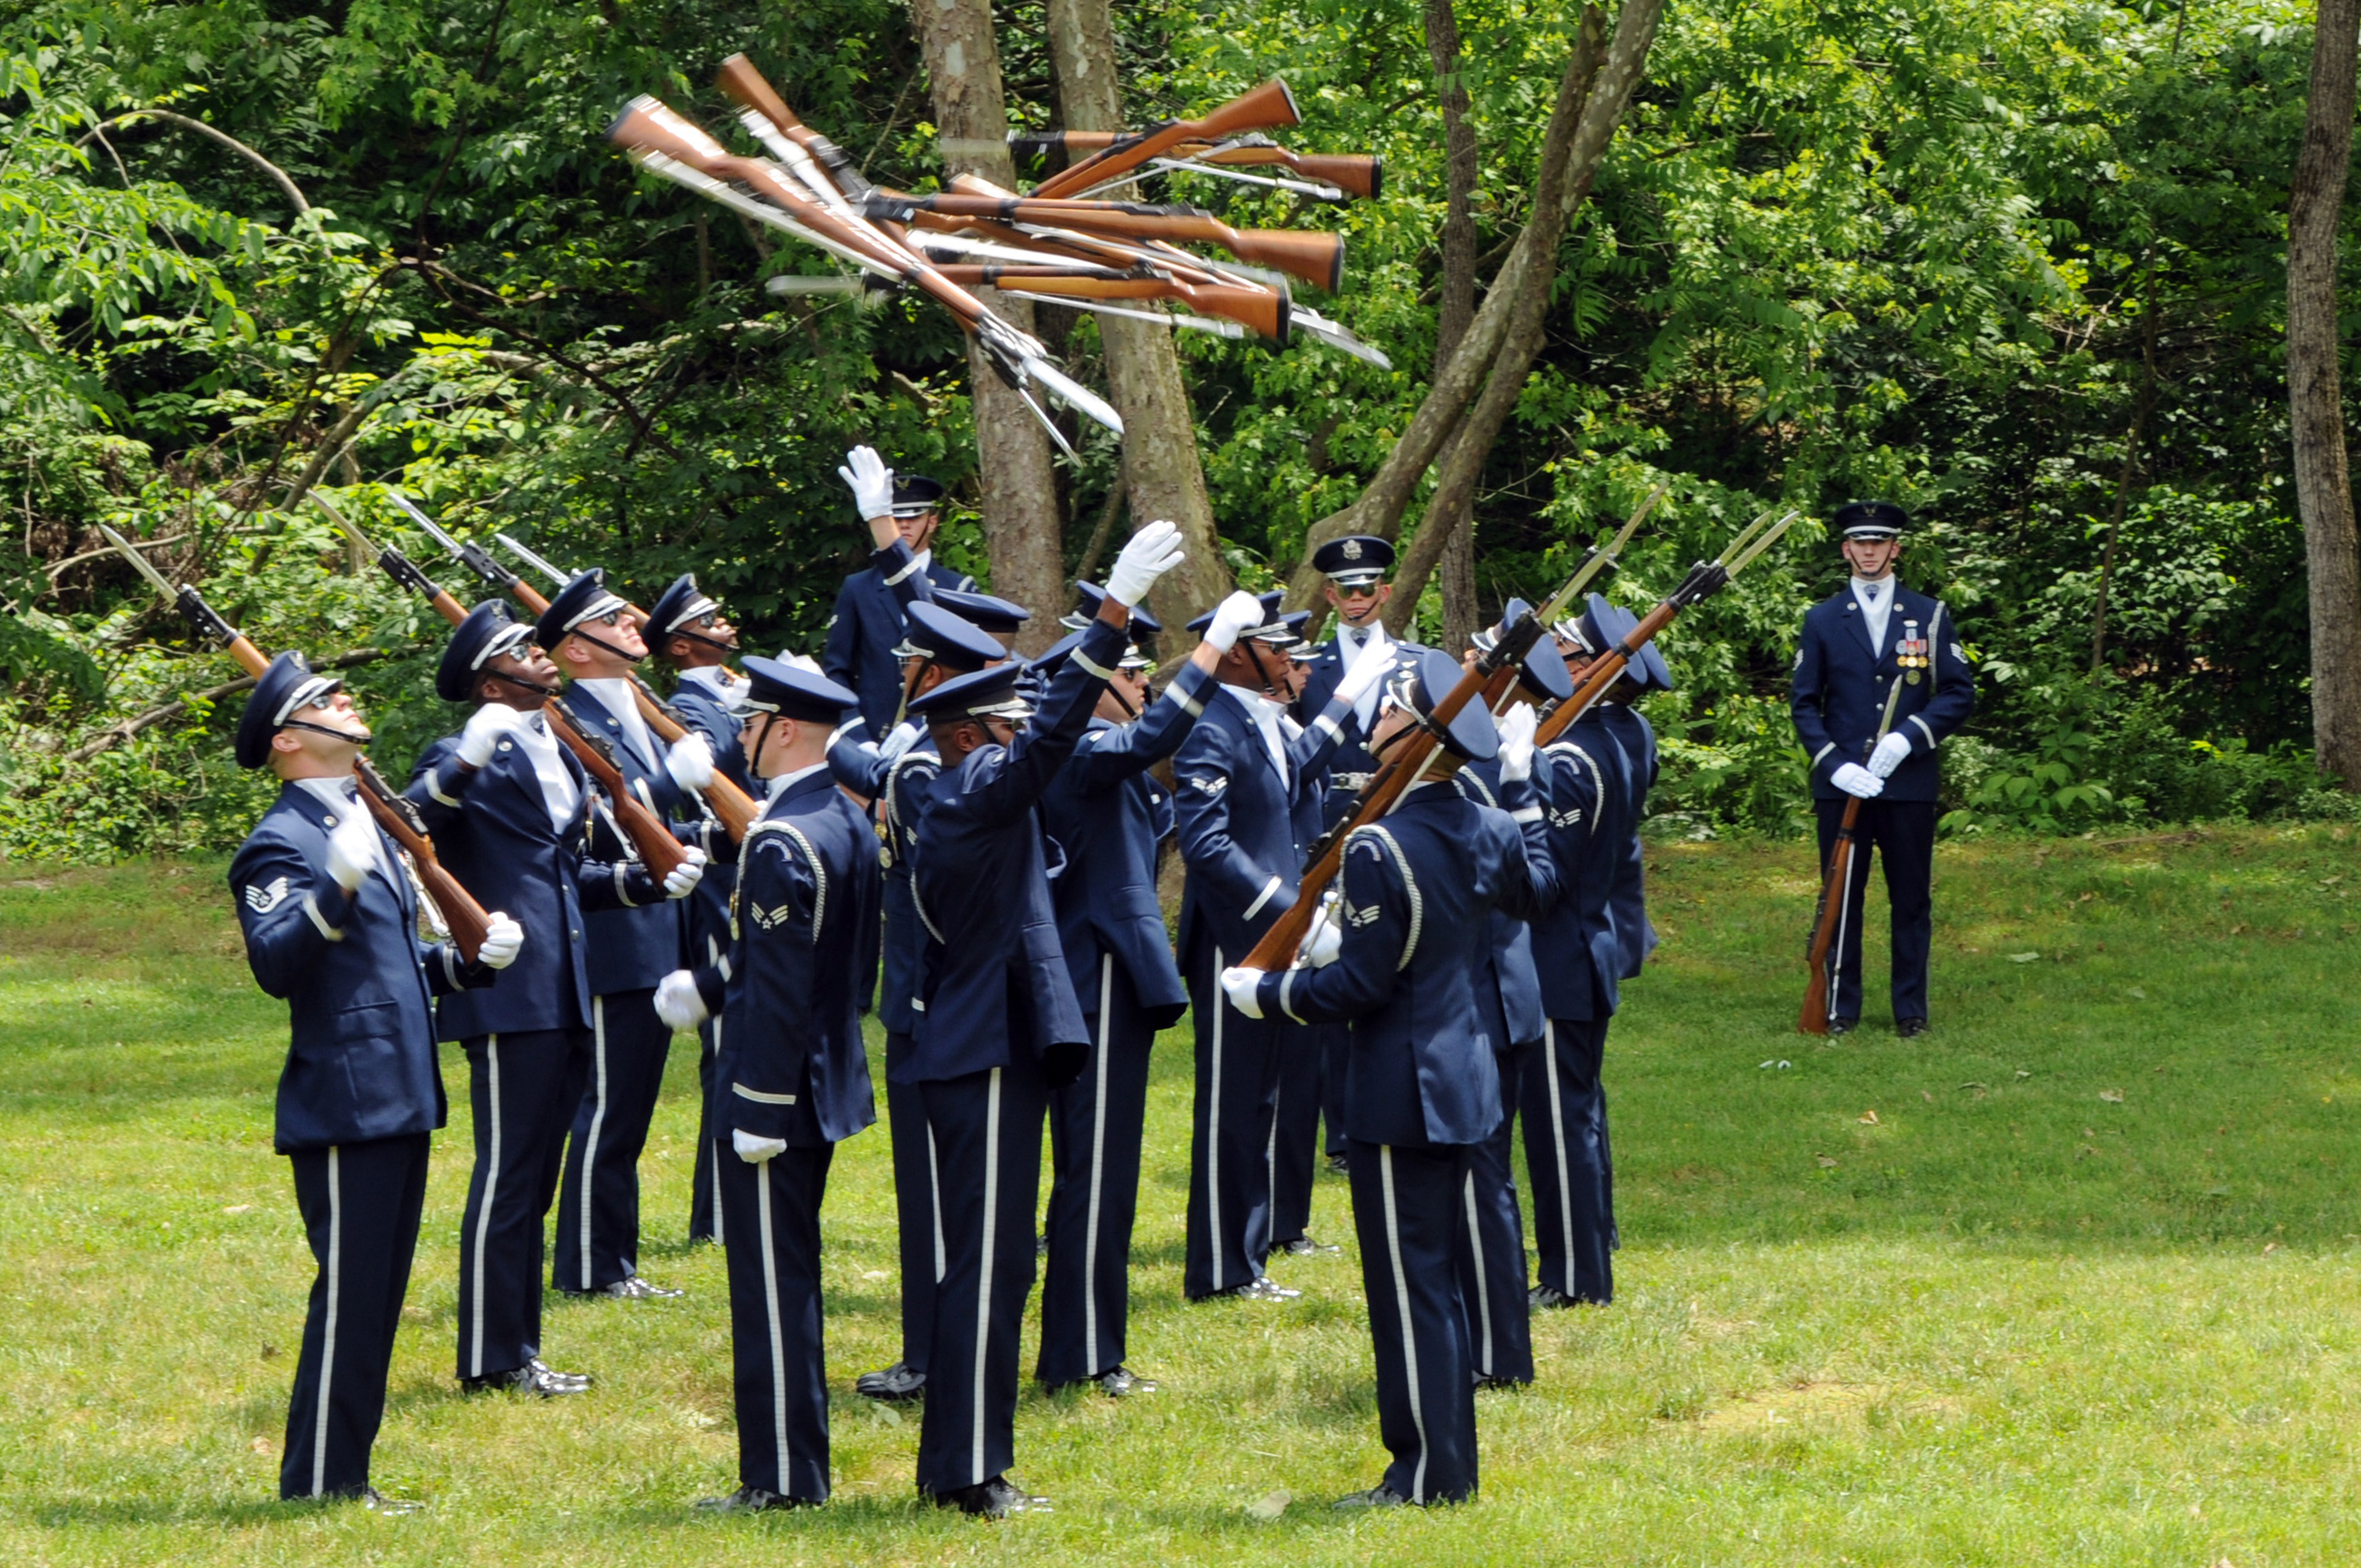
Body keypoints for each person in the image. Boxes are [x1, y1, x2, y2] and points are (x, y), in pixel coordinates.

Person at [898, 521, 1187, 1517]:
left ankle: (970, 1459)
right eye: (1010, 725)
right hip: (978, 1049)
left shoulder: (980, 785)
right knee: (988, 1264)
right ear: (973, 733)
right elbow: (1056, 734)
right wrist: (1109, 613)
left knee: (1000, 1259)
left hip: (999, 1044)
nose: (1028, 738)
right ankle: (965, 1470)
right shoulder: (967, 788)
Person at [1217, 649, 1550, 1509]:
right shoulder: (1485, 824)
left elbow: (1362, 987)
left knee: (1410, 1291)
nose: (1372, 728)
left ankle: (1429, 1475)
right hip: (1466, 1073)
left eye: (1387, 716)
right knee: (1434, 1285)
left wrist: (1272, 994)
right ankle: (1445, 1467)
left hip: (1401, 1091)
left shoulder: (1378, 844)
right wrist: (1522, 788)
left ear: (1416, 733)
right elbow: (1535, 892)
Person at [229, 654, 524, 1507]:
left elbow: (385, 971)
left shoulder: (362, 821)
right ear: (288, 740)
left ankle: (343, 1473)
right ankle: (319, 1481)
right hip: (343, 1099)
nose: (345, 703)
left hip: (398, 1089)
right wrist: (337, 886)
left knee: (378, 1299)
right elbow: (278, 964)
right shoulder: (283, 842)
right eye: (324, 701)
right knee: (352, 1298)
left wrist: (466, 966)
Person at [406, 602, 703, 1396]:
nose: (542, 657)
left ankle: (518, 1349)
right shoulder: (464, 754)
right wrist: (462, 761)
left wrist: (639, 884)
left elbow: (563, 877)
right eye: (520, 652)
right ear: (489, 679)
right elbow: (409, 824)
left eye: (535, 648)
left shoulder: (559, 753)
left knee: (536, 1180)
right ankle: (490, 1358)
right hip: (508, 995)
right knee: (507, 1178)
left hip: (569, 986)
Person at [651, 658, 880, 1511]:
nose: (738, 740)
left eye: (749, 726)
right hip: (822, 1077)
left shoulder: (785, 840)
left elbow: (785, 987)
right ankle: (790, 1468)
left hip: (777, 1095)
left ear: (783, 730)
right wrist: (710, 991)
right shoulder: (840, 818)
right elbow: (804, 966)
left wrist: (758, 1106)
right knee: (787, 1278)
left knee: (772, 1294)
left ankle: (782, 1480)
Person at [823, 471, 1014, 1404]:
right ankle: (944, 1342)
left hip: (934, 988)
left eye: (914, 659)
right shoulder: (945, 748)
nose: (899, 662)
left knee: (936, 1191)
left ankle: (934, 1350)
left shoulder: (944, 768)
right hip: (956, 979)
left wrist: (849, 757)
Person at [1031, 586, 1237, 1396]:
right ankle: (1084, 1352)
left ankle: (1082, 1342)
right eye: (1131, 672)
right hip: (1097, 980)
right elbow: (1160, 733)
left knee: (1092, 1173)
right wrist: (1215, 648)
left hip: (1089, 976)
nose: (1145, 685)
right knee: (1098, 1175)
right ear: (1094, 684)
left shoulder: (1078, 752)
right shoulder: (1082, 748)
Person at [1173, 594, 1391, 1302]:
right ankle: (1218, 1267)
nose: (1295, 662)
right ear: (1239, 652)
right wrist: (1286, 909)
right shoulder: (1212, 727)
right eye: (1280, 651)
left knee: (1261, 1100)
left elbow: (1293, 767)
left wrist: (1350, 699)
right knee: (1231, 1105)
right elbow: (1206, 844)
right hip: (1236, 938)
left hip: (1273, 936)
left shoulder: (1254, 718)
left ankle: (1248, 1255)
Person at [542, 569, 716, 1301]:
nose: (628, 625)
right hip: (614, 937)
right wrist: (668, 785)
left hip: (656, 930)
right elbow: (587, 824)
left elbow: (651, 830)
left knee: (631, 1110)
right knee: (608, 1110)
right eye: (610, 621)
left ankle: (615, 1260)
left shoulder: (631, 707)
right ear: (575, 650)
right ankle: (589, 1265)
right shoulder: (567, 718)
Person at [1789, 502, 1976, 1036]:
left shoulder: (1930, 613)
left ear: (1895, 548)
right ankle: (1839, 1007)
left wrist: (1907, 738)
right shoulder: (1821, 620)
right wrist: (1833, 765)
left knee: (1911, 898)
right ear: (1845, 549)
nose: (1868, 551)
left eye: (1879, 542)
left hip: (1908, 782)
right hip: (1842, 784)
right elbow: (1804, 704)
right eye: (1859, 543)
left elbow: (1958, 694)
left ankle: (1910, 1009)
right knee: (1841, 898)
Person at [1449, 603, 1573, 1386]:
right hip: (1508, 998)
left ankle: (1497, 1353)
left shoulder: (1483, 766)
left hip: (1479, 1000)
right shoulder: (1490, 755)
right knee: (1484, 1183)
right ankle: (1495, 1344)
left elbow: (1534, 889)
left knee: (1479, 1184)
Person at [1520, 594, 1647, 1310]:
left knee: (1559, 1127)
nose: (1554, 666)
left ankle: (1573, 1280)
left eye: (1566, 657)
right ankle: (1591, 1250)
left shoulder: (1568, 759)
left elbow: (1545, 882)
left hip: (1553, 958)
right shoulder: (1623, 736)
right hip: (1586, 947)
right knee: (1581, 1115)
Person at [645, 573, 749, 1246]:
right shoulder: (690, 710)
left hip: (745, 880)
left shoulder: (725, 700)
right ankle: (715, 1215)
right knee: (728, 1052)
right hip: (720, 892)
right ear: (683, 648)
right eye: (711, 623)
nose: (727, 629)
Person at [823, 458, 976, 739]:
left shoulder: (959, 589)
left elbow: (967, 672)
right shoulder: (858, 588)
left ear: (932, 522)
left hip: (939, 736)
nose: (903, 526)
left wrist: (921, 727)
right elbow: (838, 669)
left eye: (913, 517)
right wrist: (855, 732)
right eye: (895, 518)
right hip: (870, 734)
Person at [1292, 534, 1422, 828]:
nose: (1356, 599)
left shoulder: (1419, 664)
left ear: (1384, 592)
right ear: (1331, 596)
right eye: (1346, 589)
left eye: (1365, 589)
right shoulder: (1304, 666)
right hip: (1325, 813)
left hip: (1397, 806)